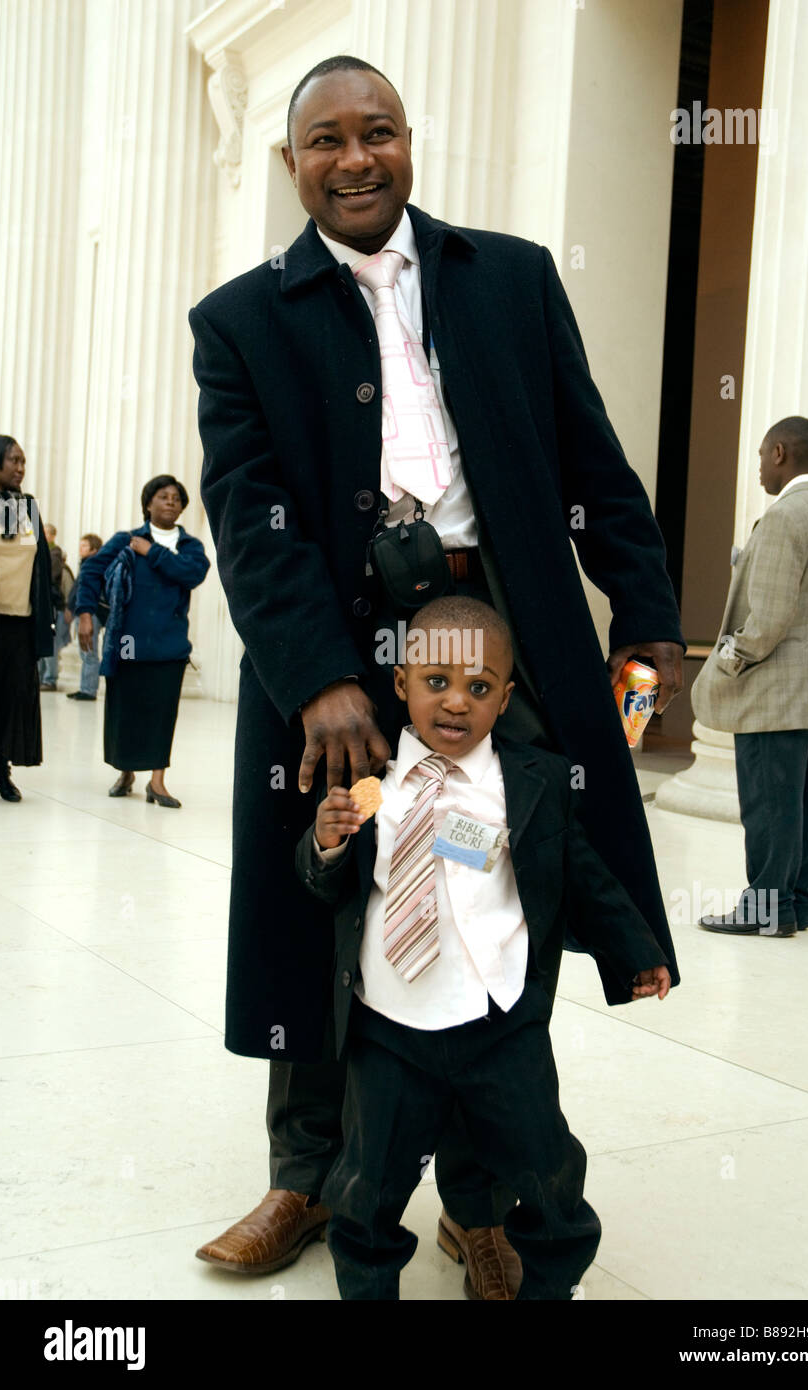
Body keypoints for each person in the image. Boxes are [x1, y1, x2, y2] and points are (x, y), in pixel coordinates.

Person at [189, 55, 684, 1295]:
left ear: (409, 143)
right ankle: (311, 1172)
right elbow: (248, 517)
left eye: (379, 134)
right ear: (290, 161)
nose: (356, 160)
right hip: (336, 635)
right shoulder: (241, 320)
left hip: (498, 628)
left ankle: (489, 1189)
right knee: (328, 884)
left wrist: (649, 621)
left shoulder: (508, 278)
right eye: (325, 141)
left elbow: (594, 456)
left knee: (508, 871)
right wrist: (314, 679)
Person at [296, 597, 671, 1300]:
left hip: (502, 1028)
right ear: (401, 681)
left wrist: (636, 950)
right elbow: (323, 884)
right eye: (437, 681)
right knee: (365, 1187)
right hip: (390, 1027)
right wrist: (326, 843)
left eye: (478, 687)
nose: (456, 703)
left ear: (505, 697)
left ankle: (546, 1281)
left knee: (547, 1171)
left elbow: (583, 876)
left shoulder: (534, 783)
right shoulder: (369, 784)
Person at [692, 417, 808, 936]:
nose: (760, 466)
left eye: (763, 454)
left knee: (770, 803)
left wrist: (730, 658)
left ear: (782, 453)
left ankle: (766, 909)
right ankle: (797, 903)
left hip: (775, 689)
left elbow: (767, 618)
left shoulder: (784, 518)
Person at [73, 476, 209, 807]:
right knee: (125, 712)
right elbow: (91, 572)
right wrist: (86, 613)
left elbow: (191, 573)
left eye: (177, 498)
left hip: (169, 646)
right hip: (128, 644)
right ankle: (126, 773)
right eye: (163, 496)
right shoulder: (126, 540)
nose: (171, 502)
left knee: (162, 715)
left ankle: (158, 782)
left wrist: (153, 552)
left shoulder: (189, 546)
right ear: (148, 503)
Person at [0, 435, 55, 802]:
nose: (20, 468)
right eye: (13, 460)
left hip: (19, 622)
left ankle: (0, 766)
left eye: (23, 462)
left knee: (11, 698)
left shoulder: (24, 506)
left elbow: (40, 562)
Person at [64, 533, 106, 701]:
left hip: (91, 613)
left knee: (89, 652)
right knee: (86, 652)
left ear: (94, 549)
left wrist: (71, 607)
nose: (80, 549)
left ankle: (88, 689)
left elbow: (81, 589)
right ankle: (85, 687)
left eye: (84, 546)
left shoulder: (93, 565)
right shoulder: (87, 564)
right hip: (90, 611)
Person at [38, 523, 72, 691]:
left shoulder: (53, 554)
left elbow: (49, 578)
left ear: (51, 535)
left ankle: (50, 678)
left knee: (50, 643)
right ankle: (42, 676)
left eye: (44, 532)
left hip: (52, 605)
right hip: (46, 603)